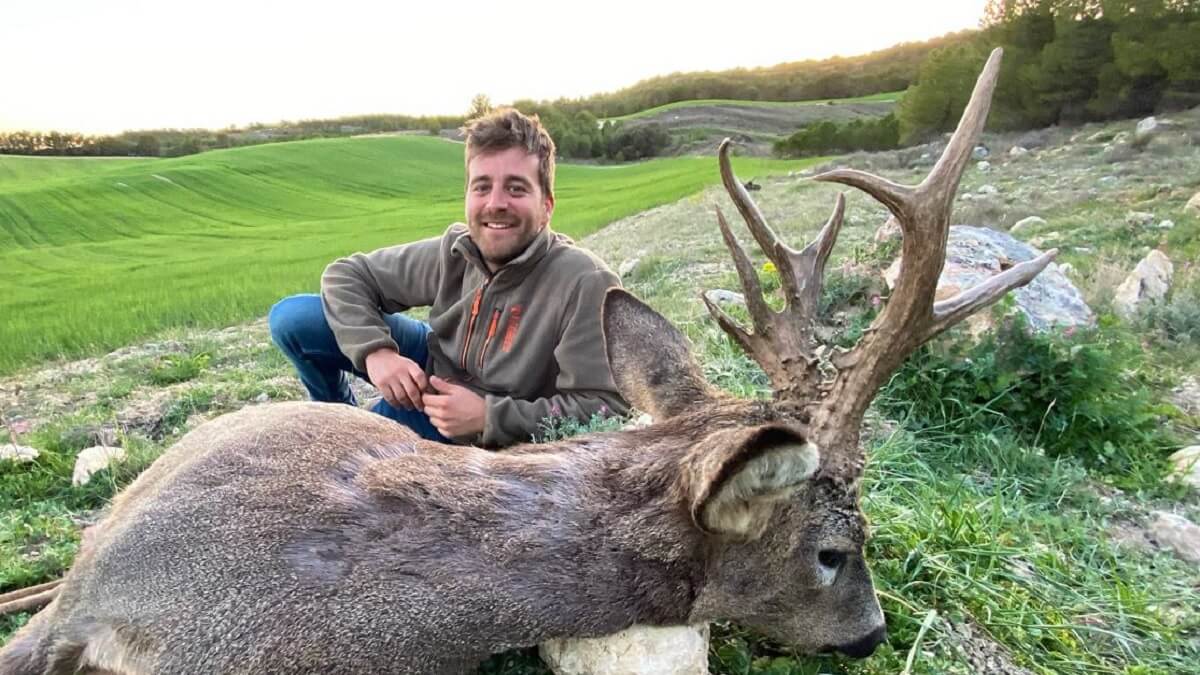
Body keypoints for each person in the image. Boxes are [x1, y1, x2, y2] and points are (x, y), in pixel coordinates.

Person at [268, 108, 628, 447]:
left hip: (464, 430)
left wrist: (489, 417)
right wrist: (377, 353)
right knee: (293, 320)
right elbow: (346, 275)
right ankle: (338, 414)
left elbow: (607, 407)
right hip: (432, 368)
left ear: (547, 206)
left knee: (349, 455)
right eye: (482, 186)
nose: (495, 203)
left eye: (516, 188)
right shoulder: (457, 249)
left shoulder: (585, 282)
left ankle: (344, 439)